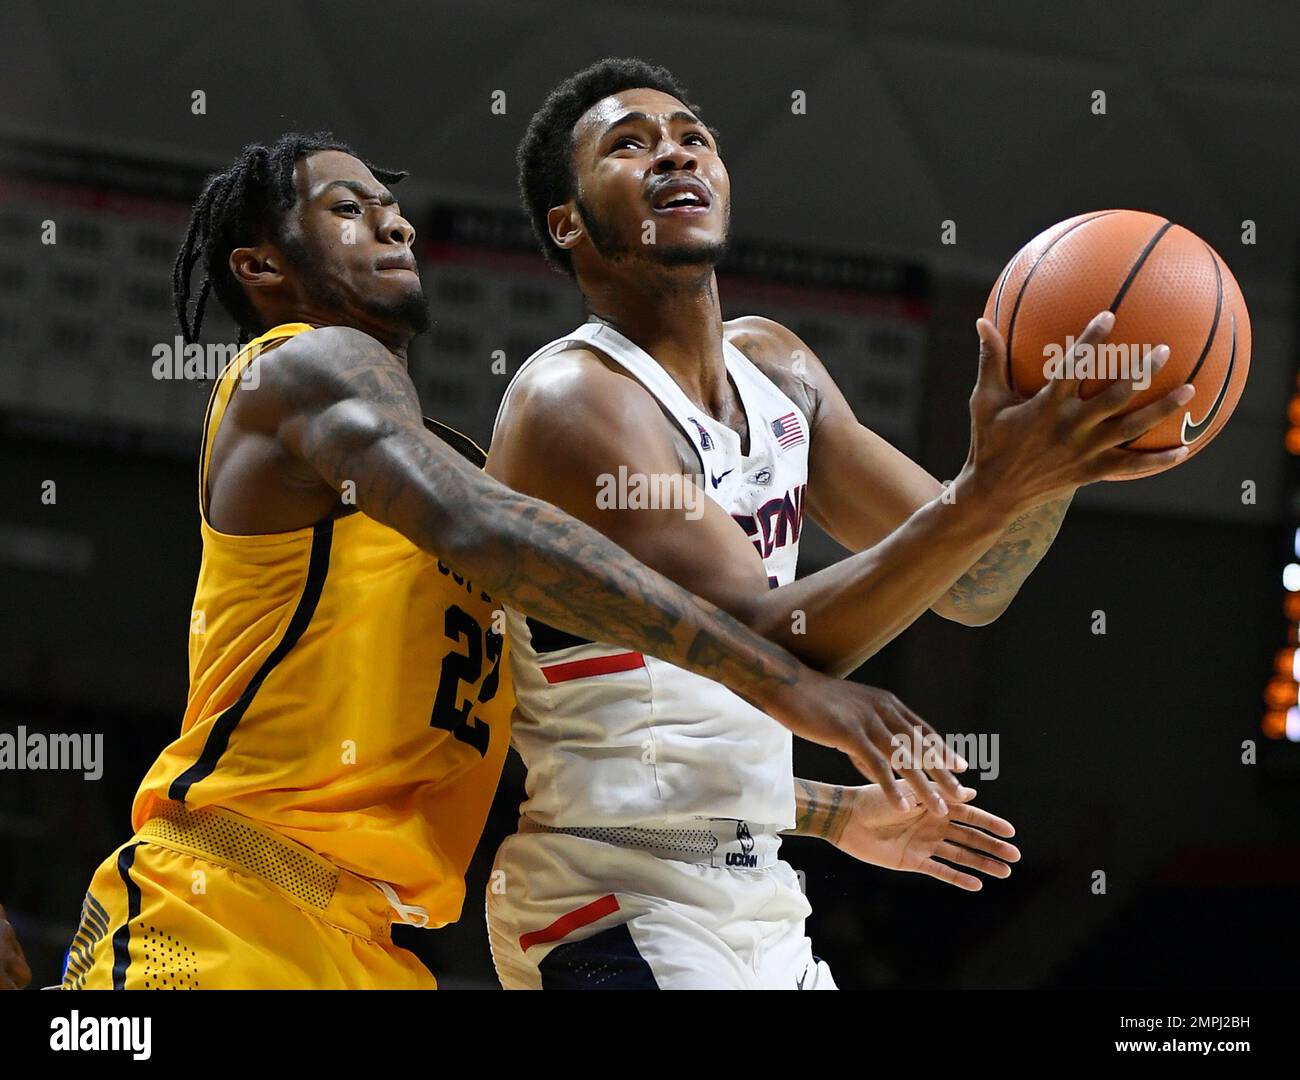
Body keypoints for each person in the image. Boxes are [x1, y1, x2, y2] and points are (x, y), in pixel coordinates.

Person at [60, 133, 960, 991]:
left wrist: (819, 812)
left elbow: (558, 737)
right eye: (349, 208)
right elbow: (490, 531)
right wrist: (792, 684)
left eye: (394, 207)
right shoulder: (299, 369)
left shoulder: (438, 475)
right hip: (226, 907)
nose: (397, 223)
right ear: (262, 266)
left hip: (373, 944)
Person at [484, 59, 1192, 989]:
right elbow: (766, 648)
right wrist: (986, 489)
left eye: (693, 136)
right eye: (630, 145)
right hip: (611, 896)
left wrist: (1049, 459)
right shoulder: (575, 398)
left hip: (761, 890)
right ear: (567, 223)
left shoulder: (777, 368)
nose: (674, 153)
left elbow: (973, 585)